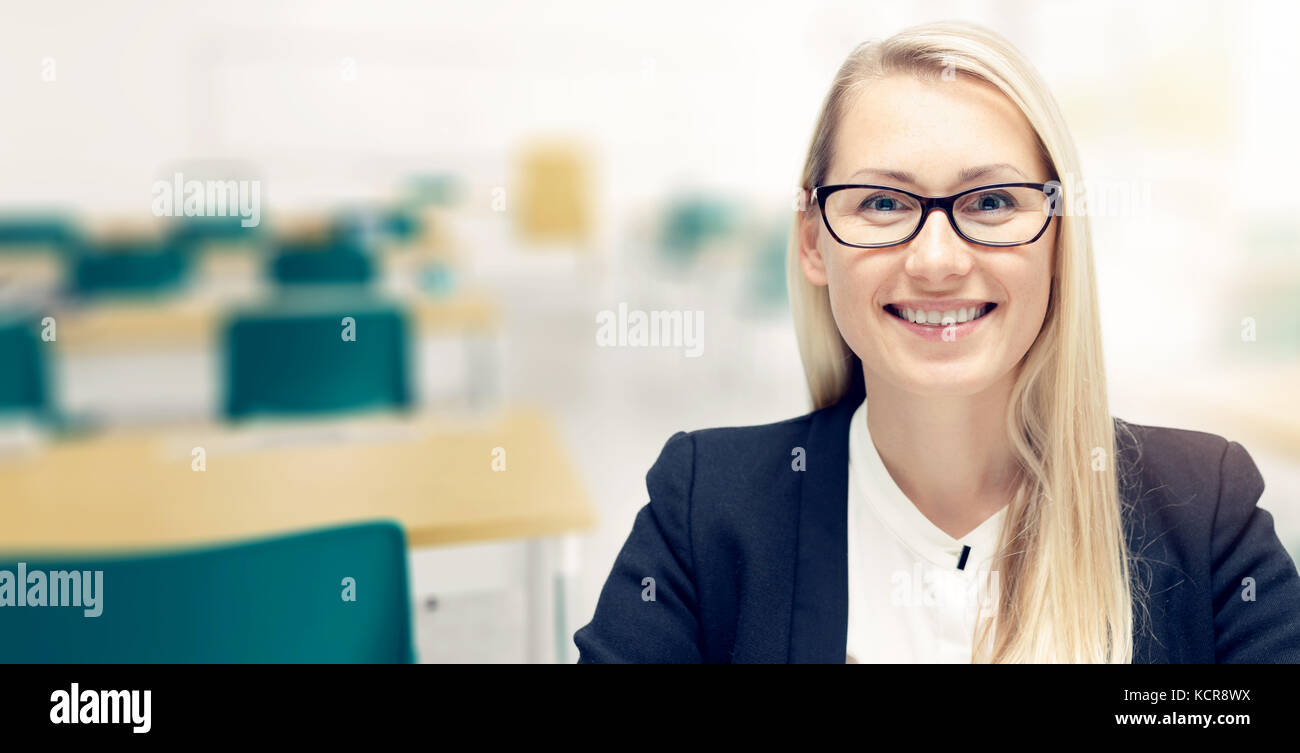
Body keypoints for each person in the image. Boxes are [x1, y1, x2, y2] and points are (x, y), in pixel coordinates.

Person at [574, 20, 1300, 663]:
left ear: (1058, 239)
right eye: (884, 203)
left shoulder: (1206, 511)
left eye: (990, 201)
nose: (938, 260)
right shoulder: (705, 507)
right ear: (813, 243)